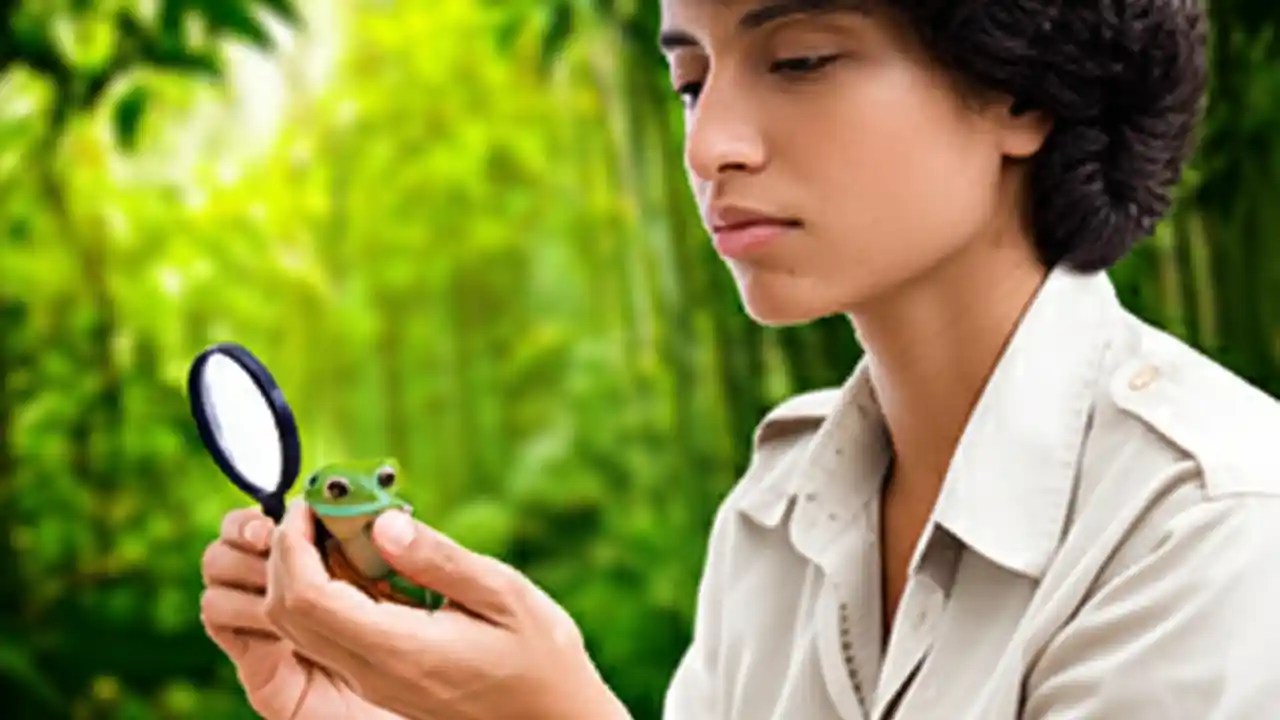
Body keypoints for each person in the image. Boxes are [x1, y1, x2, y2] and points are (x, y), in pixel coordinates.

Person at [198, 0, 1280, 717]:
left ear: (1023, 89)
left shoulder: (1212, 529)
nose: (710, 145)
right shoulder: (775, 511)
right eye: (689, 81)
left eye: (799, 61)